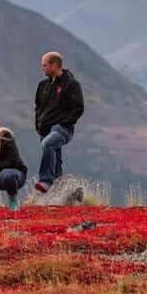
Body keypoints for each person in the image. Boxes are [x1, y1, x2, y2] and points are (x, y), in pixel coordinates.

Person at [33, 51, 84, 193]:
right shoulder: (42, 85)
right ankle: (60, 190)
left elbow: (78, 108)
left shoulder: (71, 84)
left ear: (55, 65)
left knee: (48, 144)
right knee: (56, 163)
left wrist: (64, 123)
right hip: (44, 130)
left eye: (45, 65)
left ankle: (45, 180)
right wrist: (38, 124)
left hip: (62, 129)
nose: (42, 68)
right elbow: (37, 107)